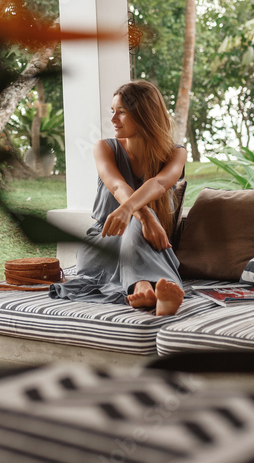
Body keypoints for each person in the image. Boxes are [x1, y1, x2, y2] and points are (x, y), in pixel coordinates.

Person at [50, 80, 187, 315]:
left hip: (143, 244)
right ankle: (145, 285)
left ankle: (147, 291)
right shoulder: (104, 147)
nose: (113, 120)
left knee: (139, 224)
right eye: (112, 112)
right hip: (104, 243)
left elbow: (160, 183)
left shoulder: (176, 153)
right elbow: (116, 185)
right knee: (141, 217)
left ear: (144, 114)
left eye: (121, 112)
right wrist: (144, 216)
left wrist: (135, 214)